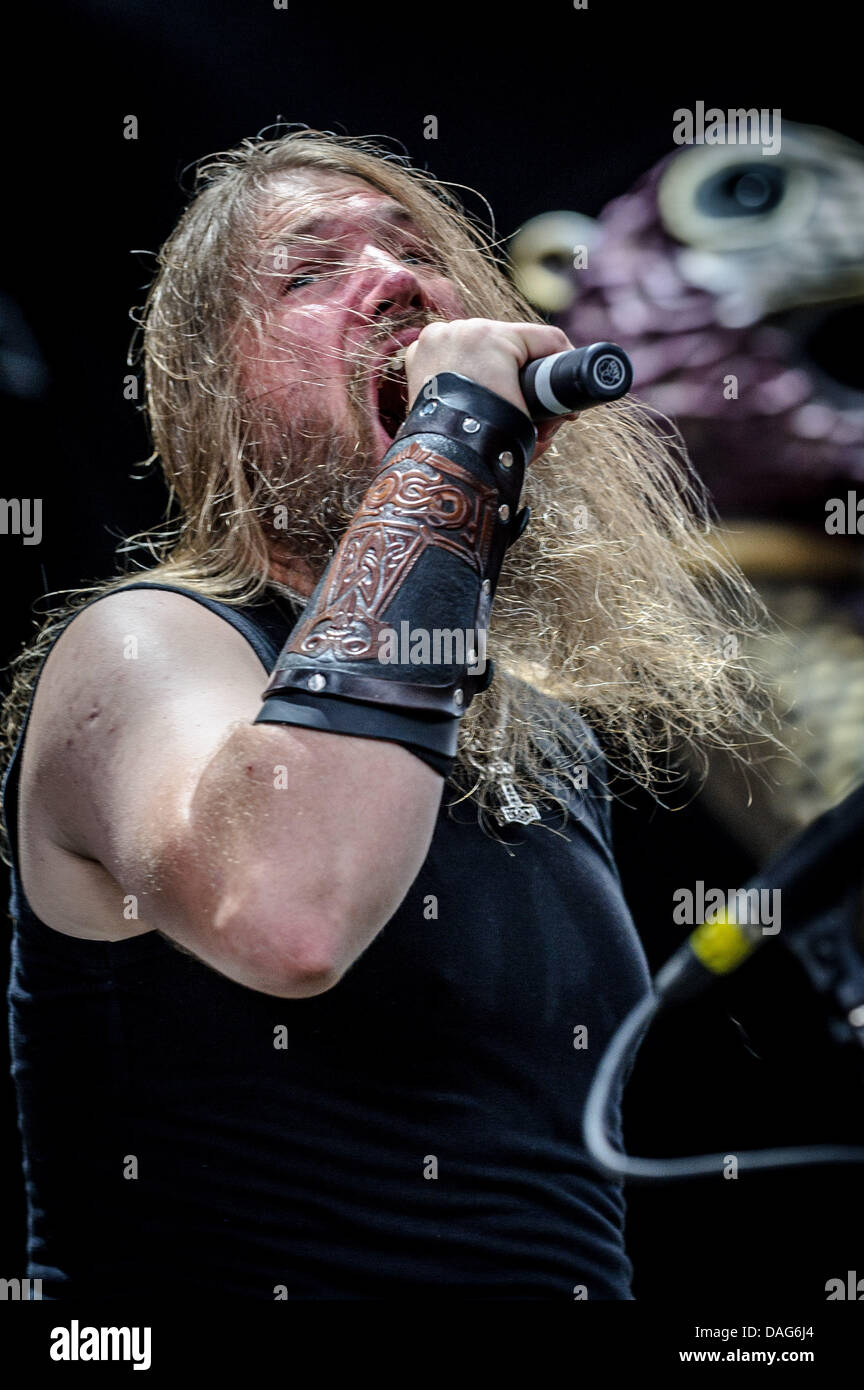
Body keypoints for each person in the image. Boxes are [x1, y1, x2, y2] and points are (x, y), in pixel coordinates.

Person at [1, 129, 769, 1300]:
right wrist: (455, 438)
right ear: (215, 389)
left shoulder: (537, 732)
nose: (399, 280)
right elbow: (290, 915)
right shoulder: (147, 645)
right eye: (310, 272)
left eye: (416, 250)